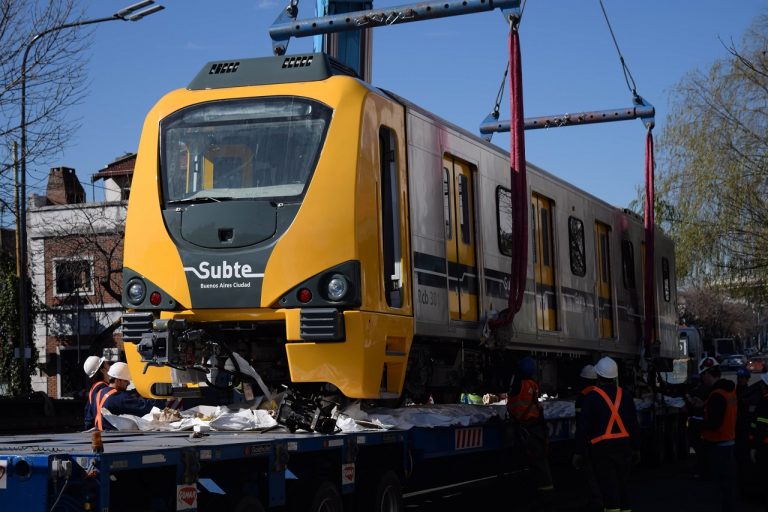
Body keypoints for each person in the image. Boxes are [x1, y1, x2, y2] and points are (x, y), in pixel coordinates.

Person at [573, 356, 639, 512]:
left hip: (602, 451)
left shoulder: (591, 398)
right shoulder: (626, 396)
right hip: (624, 449)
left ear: (598, 377)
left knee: (609, 492)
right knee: (623, 490)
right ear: (614, 376)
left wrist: (578, 452)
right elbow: (633, 424)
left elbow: (583, 428)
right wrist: (636, 448)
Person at [507, 356, 554, 512]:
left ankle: (544, 499)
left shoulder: (517, 383)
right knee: (539, 464)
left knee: (537, 465)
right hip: (535, 427)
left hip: (526, 428)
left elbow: (513, 401)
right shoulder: (533, 384)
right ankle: (545, 496)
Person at [698, 356, 738, 512]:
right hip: (729, 441)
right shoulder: (729, 391)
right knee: (728, 484)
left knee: (722, 485)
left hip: (718, 444)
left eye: (703, 376)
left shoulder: (716, 395)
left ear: (708, 374)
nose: (703, 380)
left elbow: (714, 423)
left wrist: (697, 423)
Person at [94, 362, 167, 431]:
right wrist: (162, 398)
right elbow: (144, 407)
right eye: (126, 381)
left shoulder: (100, 393)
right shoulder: (118, 397)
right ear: (118, 381)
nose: (129, 383)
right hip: (113, 436)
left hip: (100, 433)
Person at [573, 363, 601, 512]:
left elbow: (581, 426)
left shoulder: (582, 398)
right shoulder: (602, 395)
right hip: (603, 442)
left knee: (590, 474)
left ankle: (595, 502)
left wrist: (578, 450)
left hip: (589, 443)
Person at [684, 370, 711, 479]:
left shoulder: (693, 392)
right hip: (701, 421)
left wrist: (689, 399)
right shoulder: (707, 390)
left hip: (695, 422)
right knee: (701, 446)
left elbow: (692, 405)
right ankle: (702, 467)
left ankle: (698, 467)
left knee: (695, 446)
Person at [749, 372, 768, 510]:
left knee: (763, 474)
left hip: (764, 447)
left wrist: (754, 446)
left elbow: (760, 426)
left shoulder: (764, 403)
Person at [82, 356, 110, 430]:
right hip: (99, 428)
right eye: (106, 364)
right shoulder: (102, 387)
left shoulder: (95, 387)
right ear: (102, 370)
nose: (109, 366)